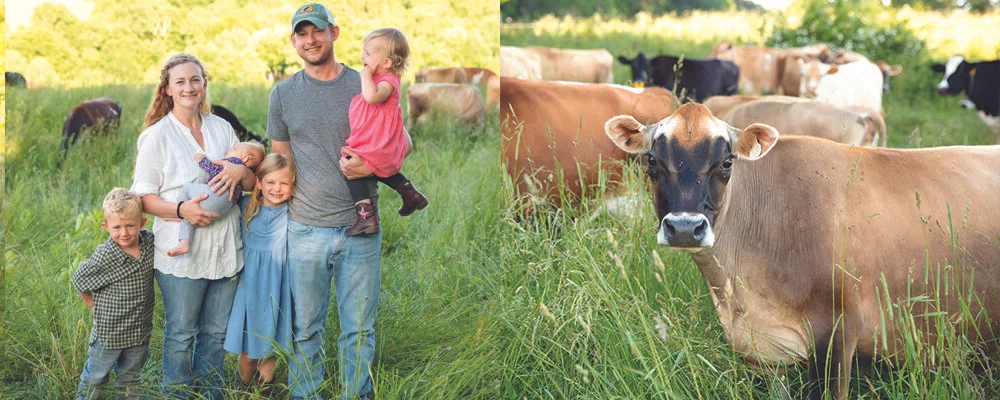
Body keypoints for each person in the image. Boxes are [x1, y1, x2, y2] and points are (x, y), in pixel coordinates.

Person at [267, 3, 382, 399]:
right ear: (293, 40)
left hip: (361, 228)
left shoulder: (365, 86)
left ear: (335, 32)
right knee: (306, 327)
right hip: (304, 228)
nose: (310, 39)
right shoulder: (282, 95)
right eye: (302, 33)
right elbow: (280, 163)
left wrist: (371, 166)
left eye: (316, 30)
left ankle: (356, 394)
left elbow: (402, 145)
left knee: (358, 328)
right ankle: (306, 394)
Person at [131, 52, 256, 399]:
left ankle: (211, 395)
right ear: (168, 89)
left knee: (215, 335)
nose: (189, 87)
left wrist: (242, 171)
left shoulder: (221, 127)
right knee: (182, 335)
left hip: (226, 247)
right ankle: (177, 395)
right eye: (180, 81)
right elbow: (141, 198)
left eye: (195, 80)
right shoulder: (157, 136)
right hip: (180, 252)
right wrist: (183, 209)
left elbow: (246, 182)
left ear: (204, 84)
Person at [341, 27, 427, 236]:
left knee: (350, 167)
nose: (362, 57)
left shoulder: (388, 81)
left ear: (387, 63)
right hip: (374, 140)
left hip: (376, 141)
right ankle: (409, 193)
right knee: (378, 168)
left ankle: (366, 218)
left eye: (368, 54)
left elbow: (371, 97)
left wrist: (364, 76)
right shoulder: (382, 80)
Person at [224, 153, 297, 397]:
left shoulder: (293, 212)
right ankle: (244, 390)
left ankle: (265, 390)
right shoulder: (245, 207)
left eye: (284, 183)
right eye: (271, 182)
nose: (277, 188)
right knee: (248, 349)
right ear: (258, 183)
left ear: (293, 186)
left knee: (270, 346)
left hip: (278, 285)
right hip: (250, 285)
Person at [72, 188, 154, 400]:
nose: (124, 232)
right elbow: (79, 279)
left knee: (130, 379)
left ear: (142, 223)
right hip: (109, 332)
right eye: (117, 227)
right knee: (96, 378)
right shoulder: (106, 254)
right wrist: (93, 305)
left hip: (138, 331)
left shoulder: (149, 244)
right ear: (106, 227)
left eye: (130, 226)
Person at [167, 141, 266, 256]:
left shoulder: (234, 163)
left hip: (213, 194)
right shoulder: (242, 178)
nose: (229, 149)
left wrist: (201, 159)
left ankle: (180, 210)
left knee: (187, 188)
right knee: (190, 218)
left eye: (233, 149)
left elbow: (214, 168)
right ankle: (184, 243)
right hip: (224, 208)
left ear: (244, 158)